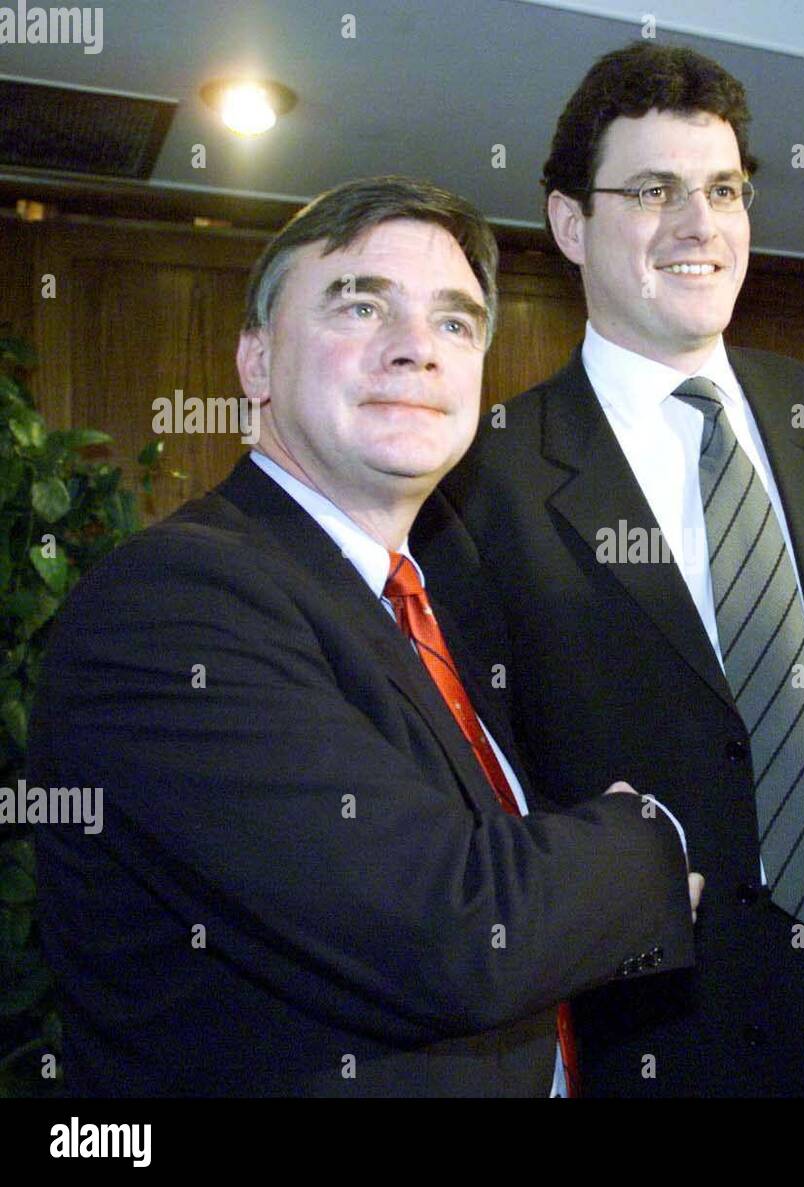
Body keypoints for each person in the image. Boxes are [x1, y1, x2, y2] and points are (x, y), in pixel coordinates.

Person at [29, 176, 698, 1098]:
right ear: (256, 364)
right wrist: (646, 836)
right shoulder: (172, 602)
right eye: (359, 305)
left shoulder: (437, 600)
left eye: (456, 324)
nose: (417, 349)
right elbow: (456, 932)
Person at [432, 44, 804, 1096]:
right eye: (654, 190)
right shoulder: (483, 470)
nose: (700, 224)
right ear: (570, 223)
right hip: (676, 1007)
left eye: (724, 189)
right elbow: (485, 772)